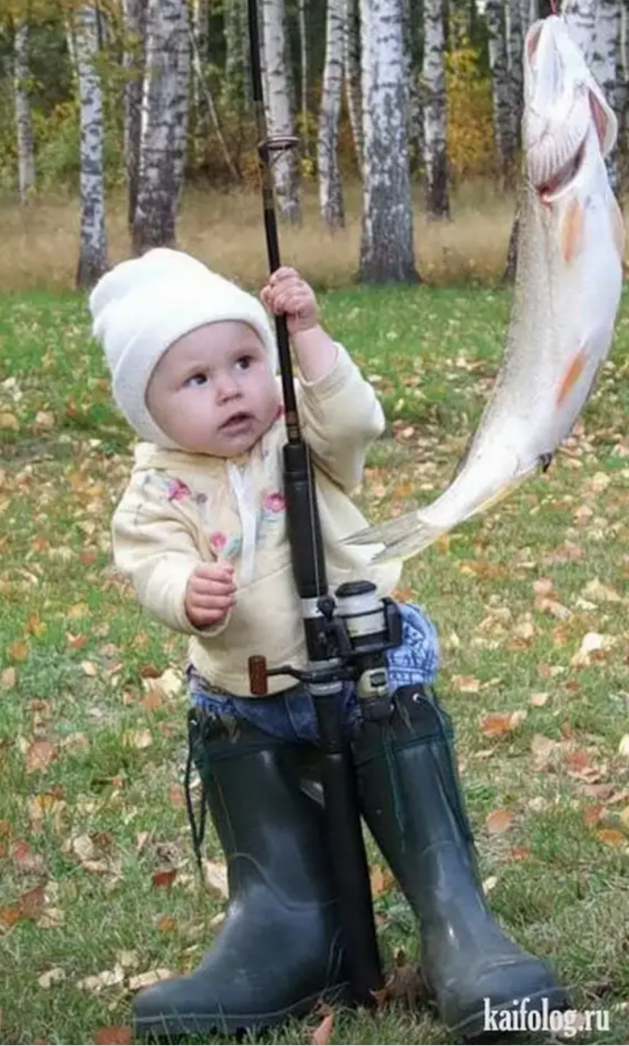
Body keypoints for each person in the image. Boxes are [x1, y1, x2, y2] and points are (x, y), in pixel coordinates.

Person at [89, 247, 569, 1043]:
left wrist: (305, 336)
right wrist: (182, 592)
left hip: (362, 669)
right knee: (256, 783)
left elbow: (356, 420)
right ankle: (287, 933)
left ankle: (458, 929)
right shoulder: (156, 490)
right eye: (195, 381)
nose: (232, 389)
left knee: (398, 750)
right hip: (246, 695)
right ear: (147, 410)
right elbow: (148, 560)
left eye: (244, 361)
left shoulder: (302, 432)